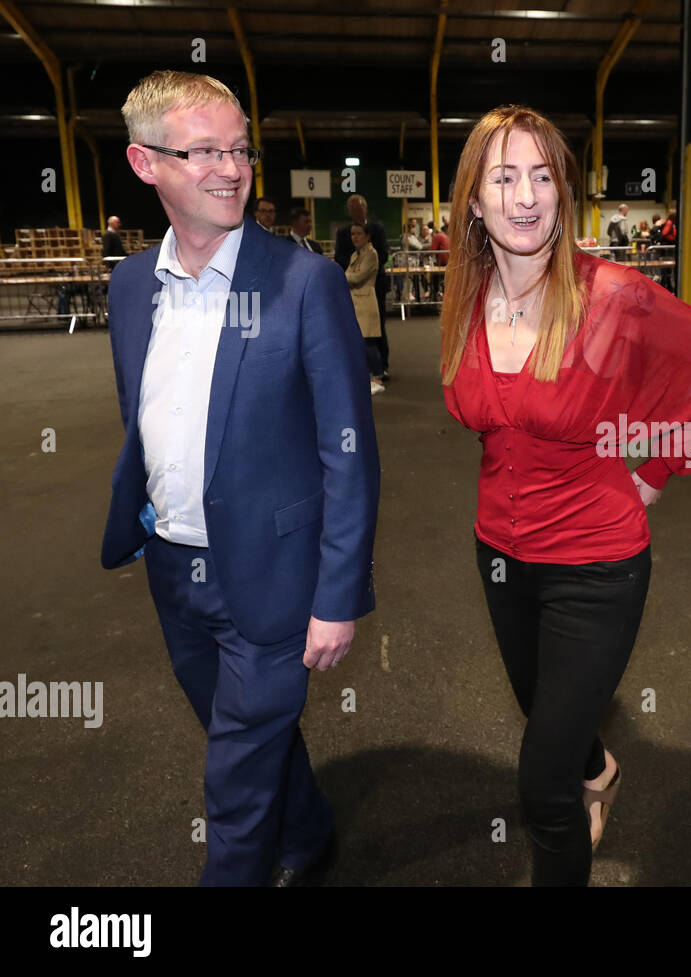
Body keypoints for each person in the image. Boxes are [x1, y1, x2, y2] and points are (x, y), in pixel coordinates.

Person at [440, 105, 691, 886]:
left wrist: (653, 468)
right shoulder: (467, 302)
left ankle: (577, 797)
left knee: (542, 783)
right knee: (554, 723)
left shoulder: (609, 298)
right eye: (504, 177)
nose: (527, 196)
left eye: (544, 175)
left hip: (595, 564)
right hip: (500, 556)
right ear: (473, 200)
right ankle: (601, 768)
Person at [102, 70, 380, 886]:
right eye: (204, 152)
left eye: (240, 150)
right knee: (248, 740)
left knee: (232, 785)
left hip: (277, 579)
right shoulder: (127, 289)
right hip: (173, 570)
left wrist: (337, 595)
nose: (232, 169)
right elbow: (146, 418)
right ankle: (310, 830)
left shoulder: (304, 284)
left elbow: (349, 452)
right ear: (145, 164)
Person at [334, 194, 390, 381]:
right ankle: (367, 370)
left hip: (373, 290)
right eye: (352, 209)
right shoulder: (343, 234)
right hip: (352, 294)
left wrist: (357, 269)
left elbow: (382, 255)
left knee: (374, 333)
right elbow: (340, 259)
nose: (354, 237)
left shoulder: (376, 234)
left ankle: (381, 369)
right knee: (359, 336)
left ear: (365, 209)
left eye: (358, 208)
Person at [345, 222, 385, 394]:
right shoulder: (355, 254)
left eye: (359, 234)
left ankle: (378, 376)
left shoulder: (371, 254)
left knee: (369, 343)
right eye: (353, 234)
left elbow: (356, 278)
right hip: (354, 303)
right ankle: (369, 375)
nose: (355, 237)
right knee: (360, 343)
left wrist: (340, 273)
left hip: (366, 302)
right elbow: (350, 275)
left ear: (367, 236)